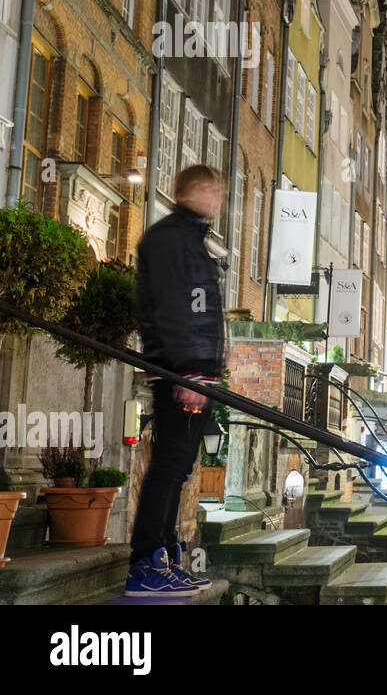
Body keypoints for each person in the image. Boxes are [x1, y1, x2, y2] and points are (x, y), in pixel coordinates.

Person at [124, 165, 226, 597]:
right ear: (189, 192)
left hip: (196, 374)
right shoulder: (170, 239)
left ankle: (163, 556)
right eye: (210, 190)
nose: (217, 199)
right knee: (168, 467)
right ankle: (146, 563)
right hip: (183, 373)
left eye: (219, 193)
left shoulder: (191, 240)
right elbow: (173, 308)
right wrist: (187, 370)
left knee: (178, 467)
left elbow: (197, 310)